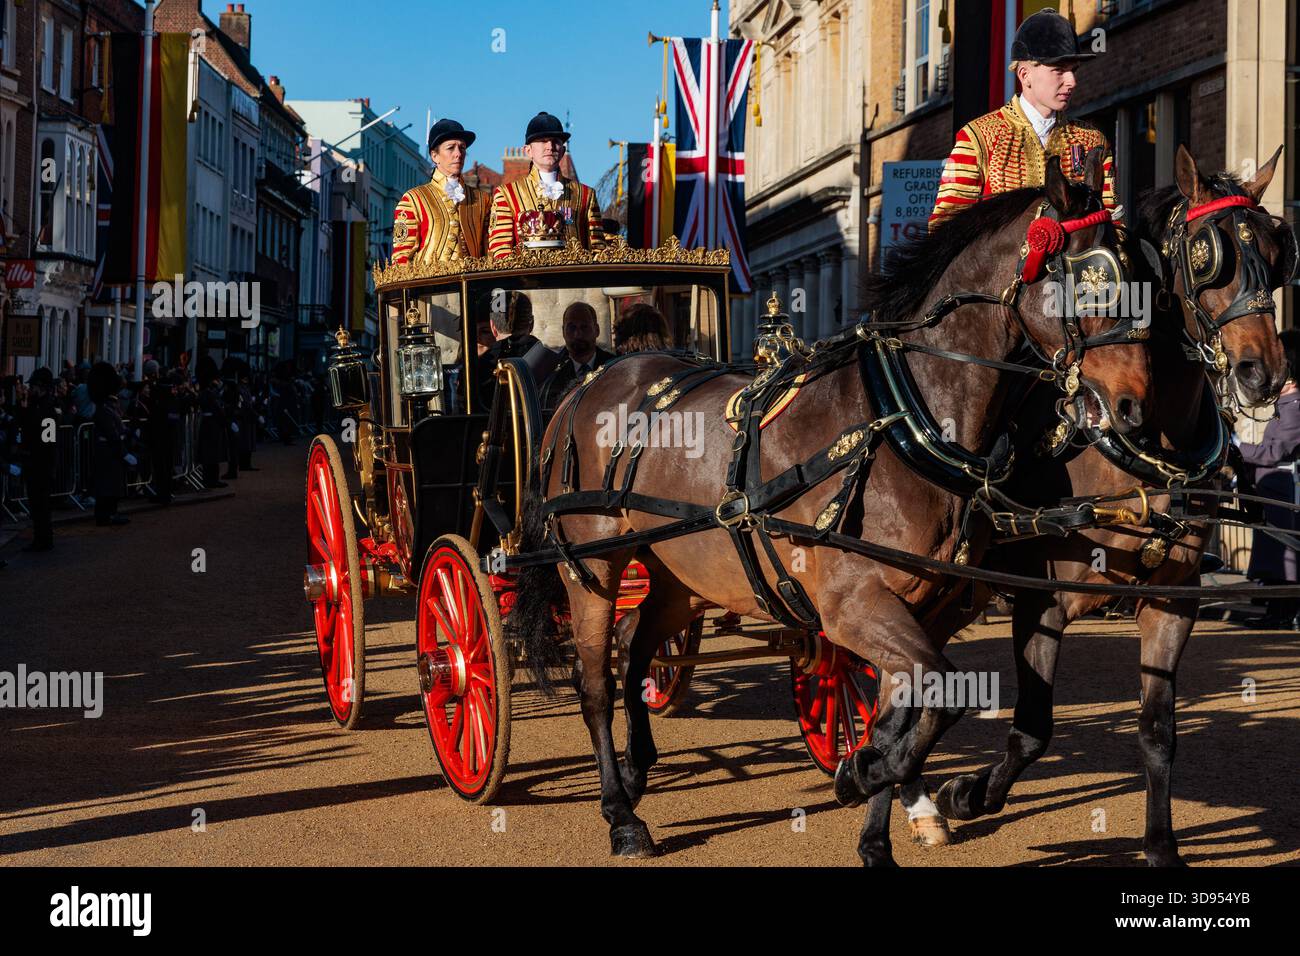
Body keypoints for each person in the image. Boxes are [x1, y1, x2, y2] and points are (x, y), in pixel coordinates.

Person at [929, 8, 1120, 232]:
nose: (1072, 81)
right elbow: (944, 230)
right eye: (1059, 70)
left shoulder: (1093, 141)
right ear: (1025, 75)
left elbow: (1113, 224)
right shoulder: (978, 138)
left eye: (1073, 70)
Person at [1240, 330, 1300, 626]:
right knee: (1274, 550)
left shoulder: (1295, 406)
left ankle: (1282, 613)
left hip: (1284, 489)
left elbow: (1276, 451)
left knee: (1283, 552)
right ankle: (1275, 608)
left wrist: (1239, 447)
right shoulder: (1285, 405)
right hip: (1272, 487)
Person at [488, 111, 606, 258]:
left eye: (556, 141)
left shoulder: (586, 195)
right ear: (528, 150)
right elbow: (500, 253)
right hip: (526, 280)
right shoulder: (507, 194)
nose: (550, 146)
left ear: (562, 150)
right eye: (543, 141)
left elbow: (598, 252)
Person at [392, 119, 494, 265]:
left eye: (462, 148)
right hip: (427, 286)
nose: (458, 154)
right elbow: (402, 257)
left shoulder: (483, 200)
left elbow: (490, 253)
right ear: (435, 156)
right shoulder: (413, 199)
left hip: (472, 286)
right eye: (451, 148)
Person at [540, 302, 615, 410]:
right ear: (563, 332)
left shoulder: (613, 365)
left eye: (584, 327)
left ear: (597, 330)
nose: (577, 334)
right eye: (571, 328)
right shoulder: (550, 371)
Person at [16, 367, 59, 551]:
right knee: (37, 504)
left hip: (40, 463)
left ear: (40, 387)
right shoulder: (38, 405)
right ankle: (41, 537)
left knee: (40, 503)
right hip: (36, 462)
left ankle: (43, 539)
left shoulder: (47, 407)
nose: (30, 389)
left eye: (33, 386)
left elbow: (47, 440)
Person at [88, 362, 129, 527]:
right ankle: (105, 515)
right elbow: (112, 433)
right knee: (106, 486)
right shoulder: (104, 408)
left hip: (110, 451)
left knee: (112, 484)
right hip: (107, 452)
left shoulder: (108, 406)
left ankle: (111, 512)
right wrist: (124, 452)